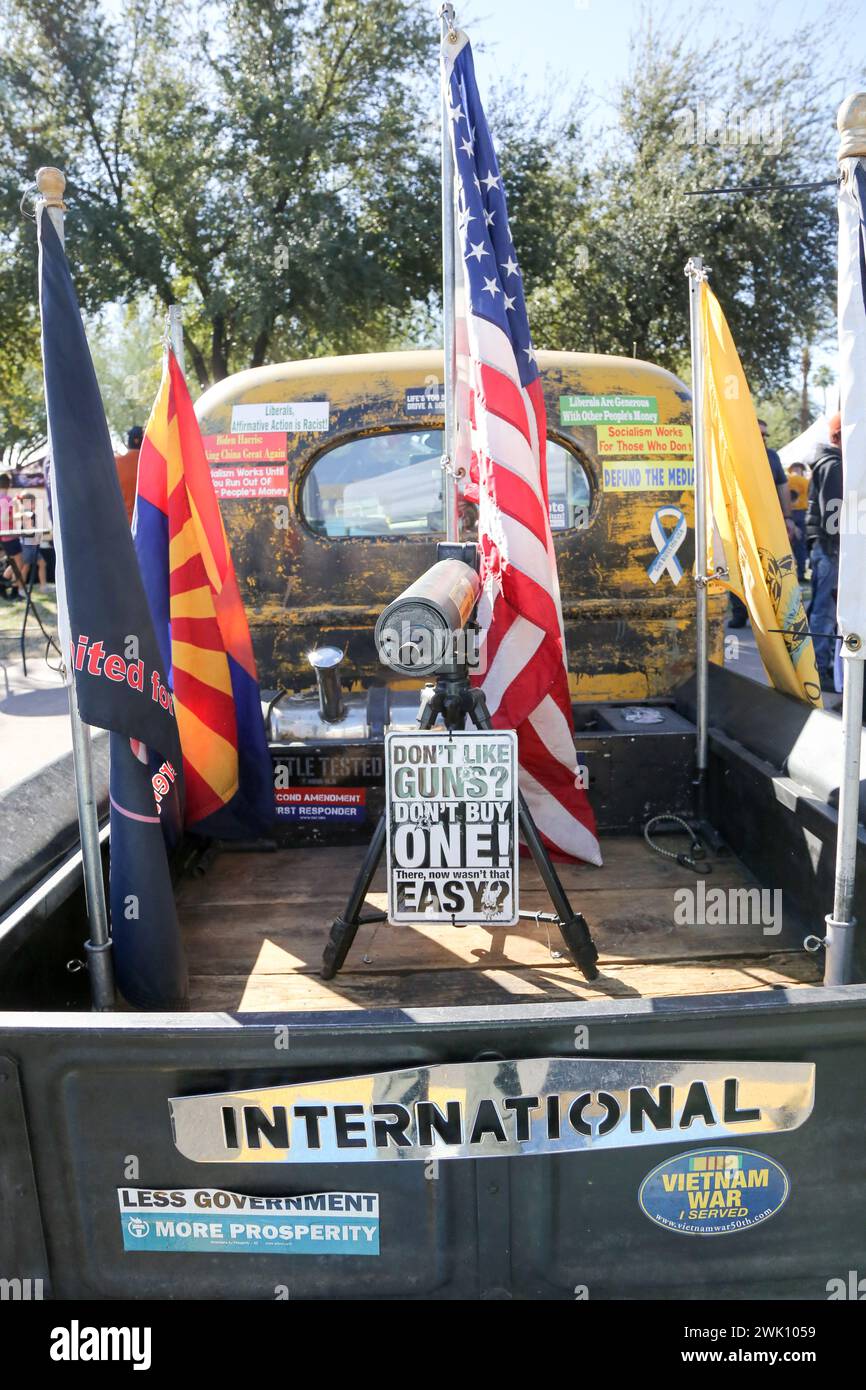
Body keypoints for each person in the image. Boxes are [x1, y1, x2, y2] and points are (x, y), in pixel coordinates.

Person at [728, 419, 796, 628]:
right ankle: (740, 613)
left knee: (773, 568)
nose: (764, 438)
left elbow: (783, 488)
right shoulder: (734, 453)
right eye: (760, 434)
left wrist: (788, 518)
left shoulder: (772, 457)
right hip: (741, 523)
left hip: (770, 523)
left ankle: (772, 615)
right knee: (740, 569)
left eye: (766, 435)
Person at [805, 412, 843, 692]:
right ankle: (818, 669)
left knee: (822, 610)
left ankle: (817, 664)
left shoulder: (829, 462)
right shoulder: (833, 465)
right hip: (830, 549)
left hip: (826, 548)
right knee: (824, 612)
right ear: (839, 436)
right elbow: (834, 516)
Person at [0, 472, 25, 600]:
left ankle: (12, 590)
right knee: (18, 564)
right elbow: (4, 518)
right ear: (9, 484)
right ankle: (9, 586)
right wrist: (19, 514)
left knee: (16, 563)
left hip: (5, 536)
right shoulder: (6, 499)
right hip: (10, 535)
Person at [114, 425, 144, 525]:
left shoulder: (116, 464)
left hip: (125, 525)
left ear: (129, 442)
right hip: (149, 527)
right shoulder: (154, 464)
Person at [786, 462, 809, 584]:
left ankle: (788, 573)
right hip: (801, 514)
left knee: (787, 545)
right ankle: (800, 573)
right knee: (800, 545)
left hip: (786, 514)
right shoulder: (805, 482)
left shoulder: (786, 480)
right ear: (801, 470)